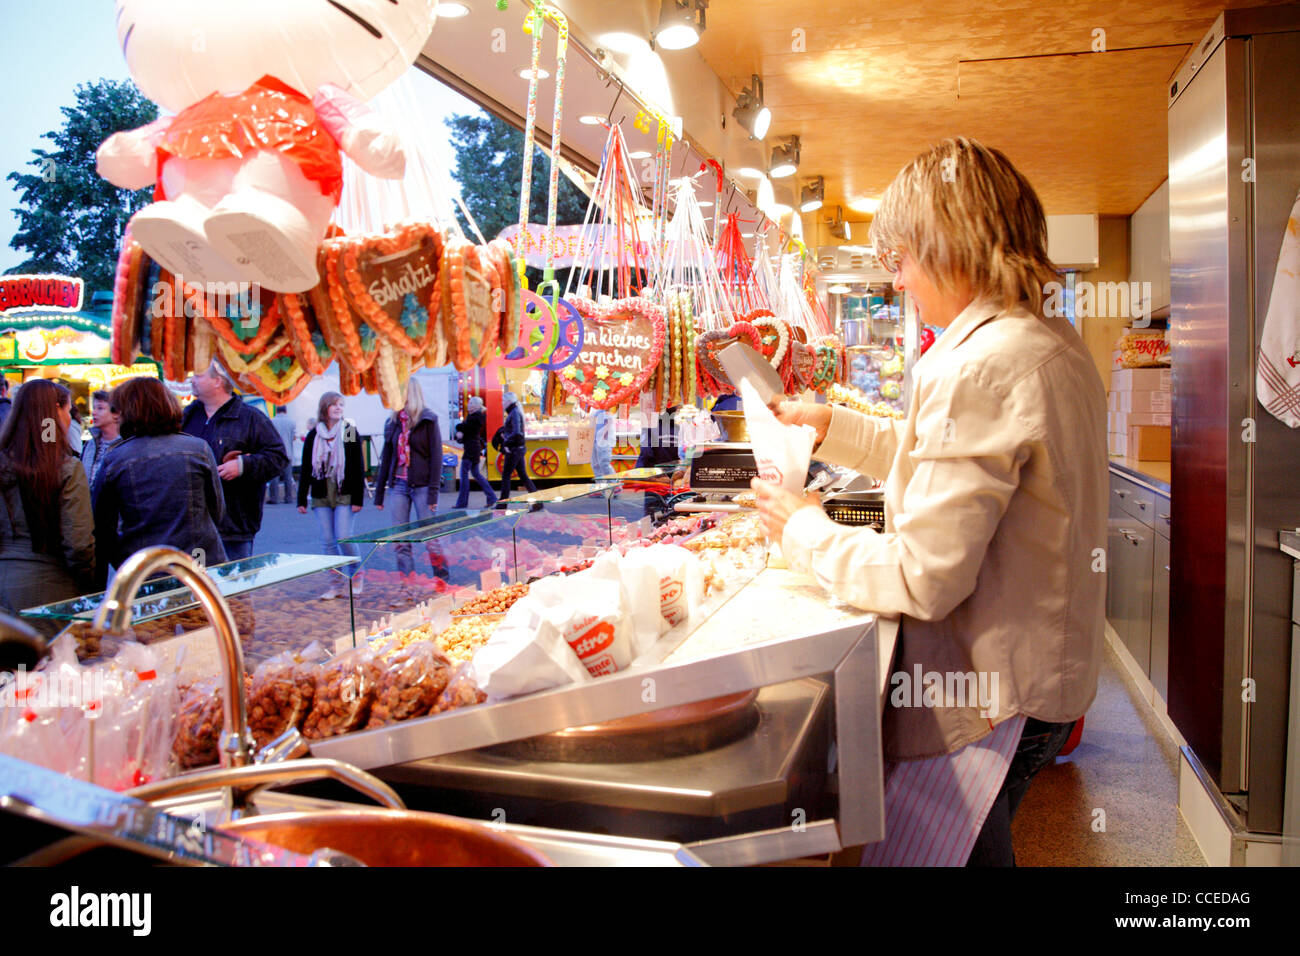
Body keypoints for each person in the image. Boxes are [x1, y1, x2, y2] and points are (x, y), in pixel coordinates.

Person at [751, 137, 1107, 867]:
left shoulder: (981, 363)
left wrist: (805, 530)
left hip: (992, 696)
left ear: (947, 244)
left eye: (902, 258)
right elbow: (946, 459)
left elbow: (923, 577)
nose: (900, 280)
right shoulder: (1047, 340)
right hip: (1041, 681)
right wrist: (833, 426)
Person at [92, 377, 226, 584]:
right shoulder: (198, 449)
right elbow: (217, 510)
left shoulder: (115, 459)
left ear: (129, 411)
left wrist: (124, 562)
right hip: (201, 565)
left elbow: (102, 528)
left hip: (145, 570)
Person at [0, 380, 95, 628]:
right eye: (68, 409)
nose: (70, 417)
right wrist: (89, 582)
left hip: (5, 584)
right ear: (54, 412)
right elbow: (78, 544)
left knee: (11, 666)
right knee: (49, 665)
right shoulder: (66, 468)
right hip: (50, 591)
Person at [181, 361, 288, 560]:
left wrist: (243, 466)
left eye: (198, 375)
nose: (192, 380)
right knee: (198, 587)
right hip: (192, 526)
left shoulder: (250, 418)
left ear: (217, 381)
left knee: (233, 587)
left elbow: (279, 457)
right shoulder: (186, 417)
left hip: (233, 525)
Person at [297, 391, 365, 599]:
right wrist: (301, 499)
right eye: (334, 405)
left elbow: (356, 464)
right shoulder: (314, 434)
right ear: (324, 408)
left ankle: (357, 574)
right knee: (328, 541)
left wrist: (358, 498)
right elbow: (307, 467)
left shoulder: (348, 430)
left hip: (344, 492)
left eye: (341, 405)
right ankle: (335, 585)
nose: (338, 408)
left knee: (344, 537)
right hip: (321, 494)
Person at [375, 378, 445, 576]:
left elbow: (436, 457)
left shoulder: (428, 419)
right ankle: (407, 584)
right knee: (400, 538)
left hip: (422, 485)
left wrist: (433, 493)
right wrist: (379, 493)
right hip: (399, 484)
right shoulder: (392, 422)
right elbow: (386, 457)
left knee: (430, 535)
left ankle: (443, 580)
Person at [453, 395, 496, 509]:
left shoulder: (475, 417)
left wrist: (459, 430)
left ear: (477, 406)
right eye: (470, 403)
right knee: (476, 474)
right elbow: (466, 431)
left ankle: (462, 502)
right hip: (473, 448)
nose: (469, 404)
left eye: (472, 403)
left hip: (471, 450)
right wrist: (460, 435)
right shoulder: (474, 416)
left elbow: (463, 427)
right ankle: (491, 497)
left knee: (464, 475)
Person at [496, 390, 535, 500]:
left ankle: (502, 504)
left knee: (506, 476)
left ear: (509, 401)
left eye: (503, 401)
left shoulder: (514, 413)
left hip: (514, 449)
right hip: (517, 448)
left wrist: (506, 443)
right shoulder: (515, 411)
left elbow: (517, 432)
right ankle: (537, 502)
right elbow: (516, 431)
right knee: (523, 476)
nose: (502, 403)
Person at [80, 389, 122, 485]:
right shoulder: (90, 444)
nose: (94, 412)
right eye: (94, 408)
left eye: (100, 408)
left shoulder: (125, 444)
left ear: (116, 414)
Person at [269, 410, 297, 504]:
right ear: (285, 410)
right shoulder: (291, 422)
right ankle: (288, 498)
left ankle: (274, 498)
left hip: (275, 453)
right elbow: (294, 437)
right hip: (288, 453)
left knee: (274, 477)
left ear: (276, 411)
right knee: (288, 477)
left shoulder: (272, 421)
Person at [589, 406, 614, 478]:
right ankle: (600, 485)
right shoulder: (593, 408)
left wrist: (603, 437)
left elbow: (609, 422)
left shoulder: (605, 407)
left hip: (603, 441)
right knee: (595, 464)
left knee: (604, 464)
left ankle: (614, 484)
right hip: (595, 439)